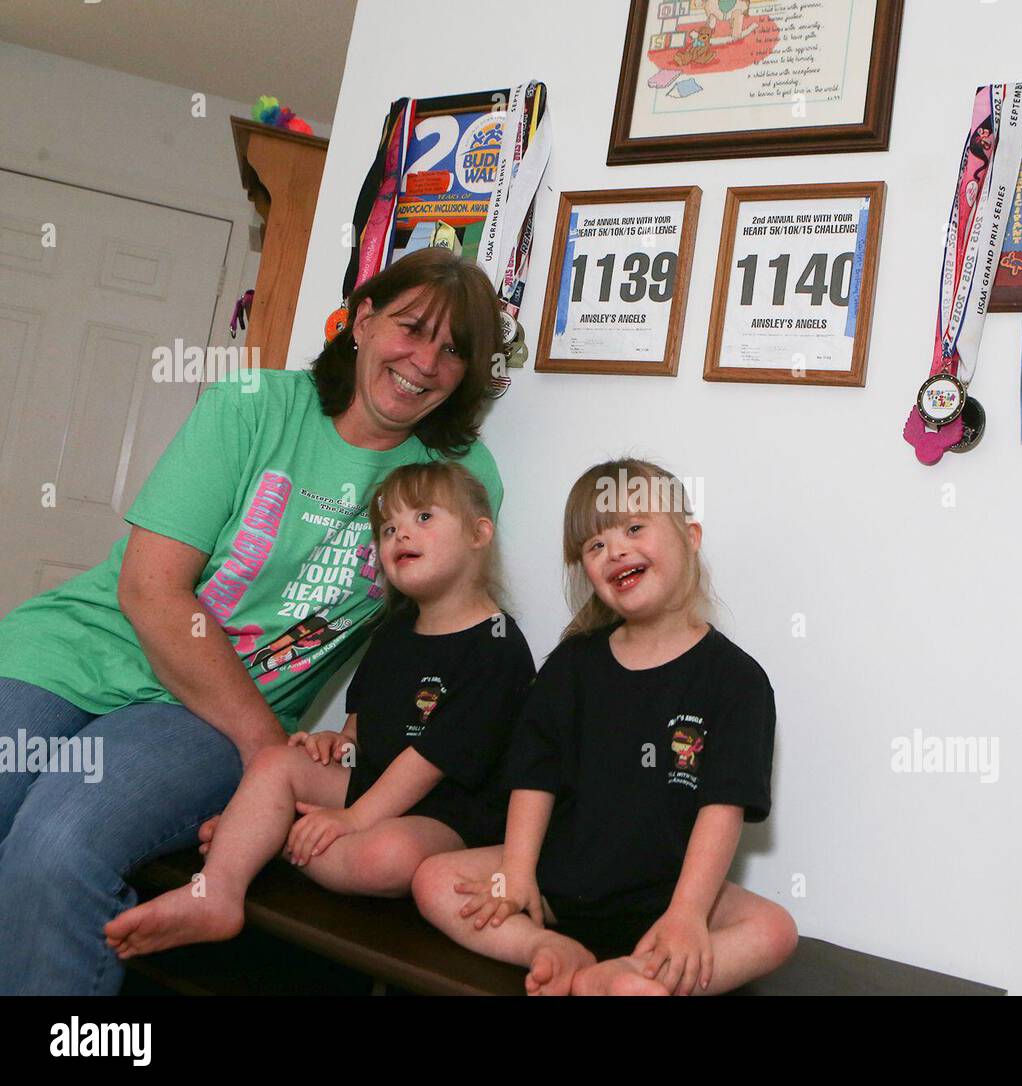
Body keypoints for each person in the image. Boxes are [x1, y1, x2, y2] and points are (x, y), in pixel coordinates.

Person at [0, 246, 506, 995]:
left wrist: (320, 763)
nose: (424, 361)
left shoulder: (458, 480)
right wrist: (274, 761)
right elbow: (151, 589)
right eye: (410, 328)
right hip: (75, 652)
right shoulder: (251, 404)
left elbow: (439, 643)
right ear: (362, 321)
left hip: (211, 712)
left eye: (452, 350)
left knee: (56, 848)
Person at [104, 462, 534, 959]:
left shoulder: (497, 646)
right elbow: (364, 721)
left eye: (422, 517)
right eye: (388, 528)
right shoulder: (394, 632)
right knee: (276, 762)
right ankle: (218, 892)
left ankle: (266, 837)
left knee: (386, 858)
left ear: (479, 533)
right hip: (371, 785)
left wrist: (352, 820)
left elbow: (428, 761)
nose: (399, 535)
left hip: (448, 812)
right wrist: (342, 745)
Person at [411, 458, 798, 996]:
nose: (614, 549)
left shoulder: (737, 680)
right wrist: (518, 873)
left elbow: (723, 806)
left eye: (634, 528)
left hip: (668, 895)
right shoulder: (572, 666)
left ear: (689, 537)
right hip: (553, 882)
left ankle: (633, 974)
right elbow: (533, 775)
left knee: (775, 930)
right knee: (432, 879)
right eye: (594, 546)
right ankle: (545, 948)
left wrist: (687, 914)